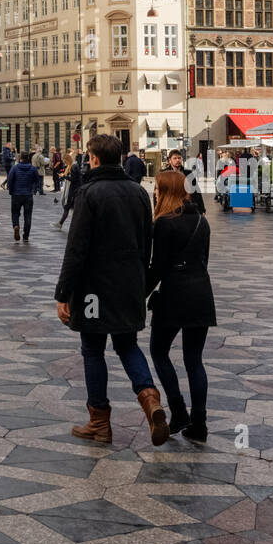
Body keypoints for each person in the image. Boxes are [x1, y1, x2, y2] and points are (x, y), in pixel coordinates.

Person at [54, 133, 168, 447]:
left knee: (92, 350)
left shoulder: (89, 193)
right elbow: (148, 242)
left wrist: (63, 294)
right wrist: (141, 284)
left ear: (93, 158)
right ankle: (150, 399)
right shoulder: (139, 192)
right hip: (129, 284)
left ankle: (99, 422)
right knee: (127, 345)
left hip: (93, 289)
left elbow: (76, 249)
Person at [146, 169, 216, 443]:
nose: (154, 192)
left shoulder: (164, 223)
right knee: (194, 360)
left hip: (174, 294)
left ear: (167, 191)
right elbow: (204, 260)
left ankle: (178, 410)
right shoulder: (202, 220)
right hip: (201, 293)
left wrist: (141, 294)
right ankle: (199, 423)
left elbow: (158, 267)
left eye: (157, 188)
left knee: (159, 351)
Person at [7, 151, 42, 242]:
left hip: (16, 194)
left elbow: (10, 180)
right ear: (29, 159)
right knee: (28, 216)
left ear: (20, 158)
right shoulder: (33, 169)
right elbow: (37, 180)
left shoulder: (15, 168)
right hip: (28, 195)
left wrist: (11, 191)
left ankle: (16, 226)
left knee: (15, 213)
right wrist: (33, 190)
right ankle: (26, 235)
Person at [55, 150, 83, 230]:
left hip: (74, 189)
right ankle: (61, 223)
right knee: (69, 207)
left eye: (64, 161)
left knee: (68, 207)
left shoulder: (73, 166)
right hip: (74, 189)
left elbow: (73, 179)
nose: (64, 163)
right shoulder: (72, 166)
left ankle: (65, 224)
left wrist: (64, 176)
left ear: (67, 160)